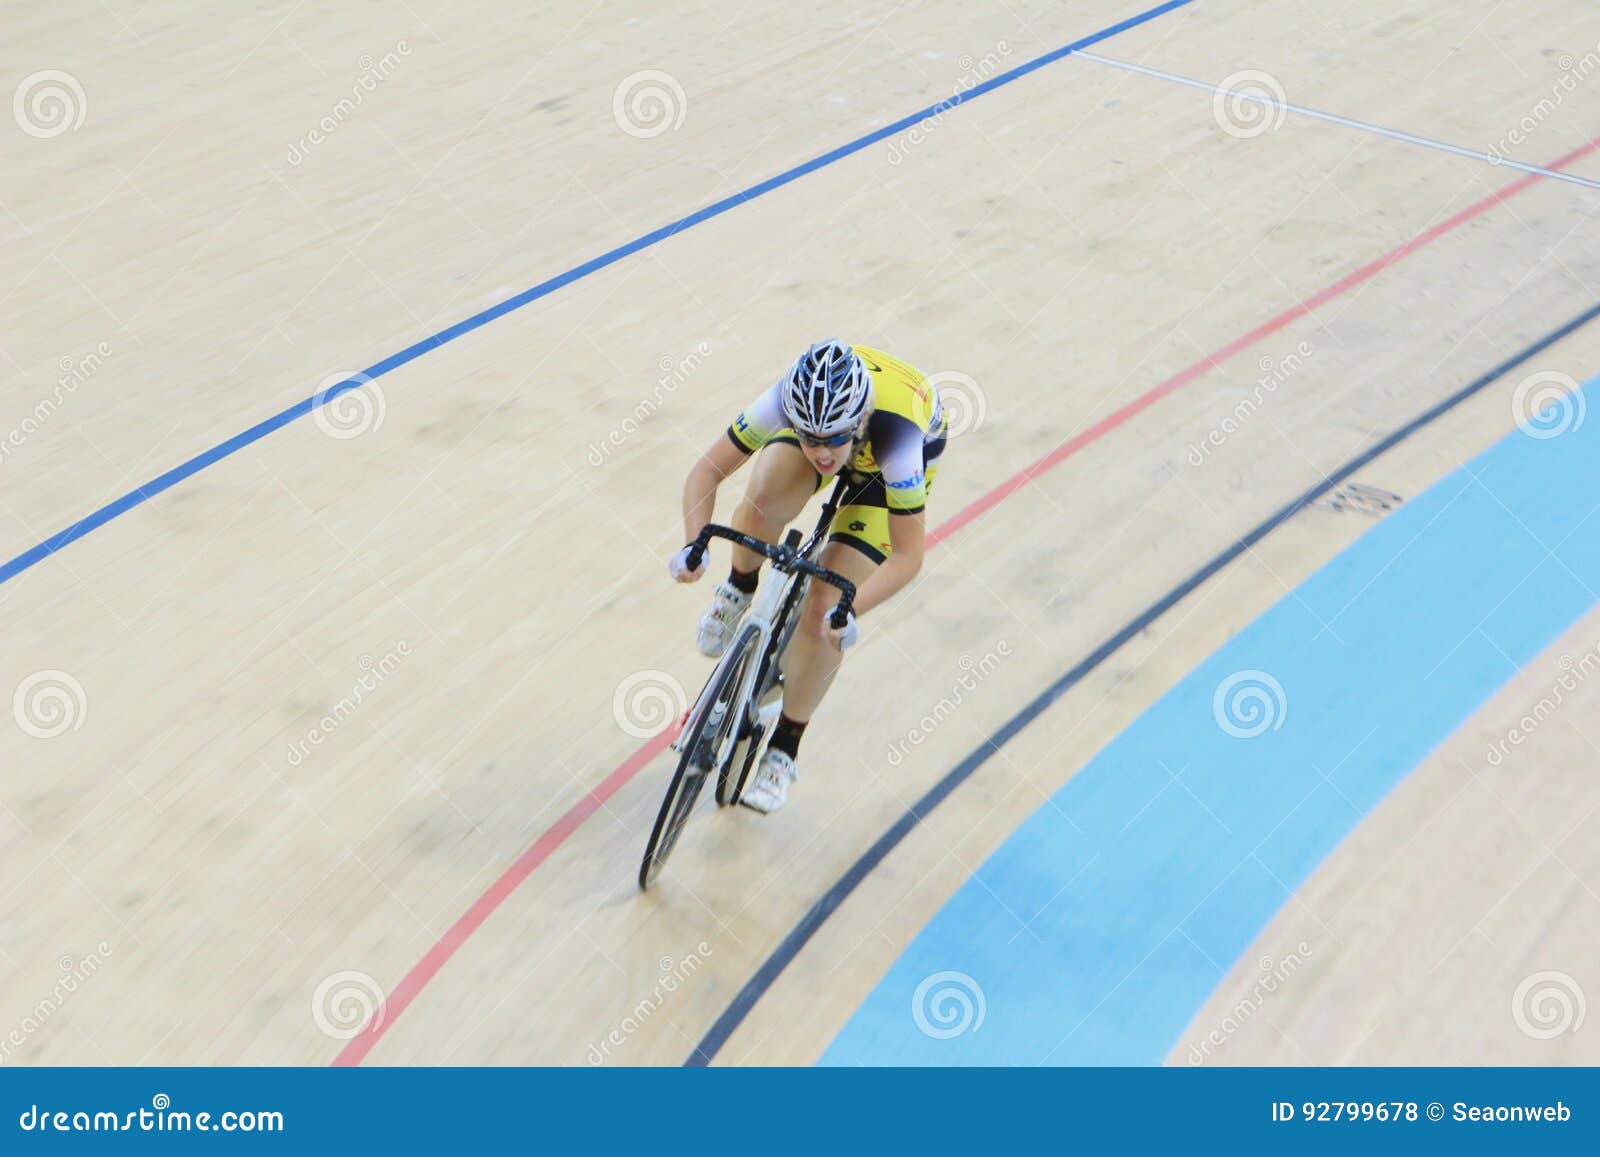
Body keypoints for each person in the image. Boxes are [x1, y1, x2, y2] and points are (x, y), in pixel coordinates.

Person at [667, 340, 947, 812]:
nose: (822, 453)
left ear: (857, 422)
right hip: (836, 421)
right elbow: (706, 472)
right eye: (809, 438)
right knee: (762, 500)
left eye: (834, 438)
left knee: (823, 608)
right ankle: (738, 589)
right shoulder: (784, 401)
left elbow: (907, 557)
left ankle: (783, 750)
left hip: (882, 470)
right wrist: (693, 543)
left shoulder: (898, 441)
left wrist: (849, 608)